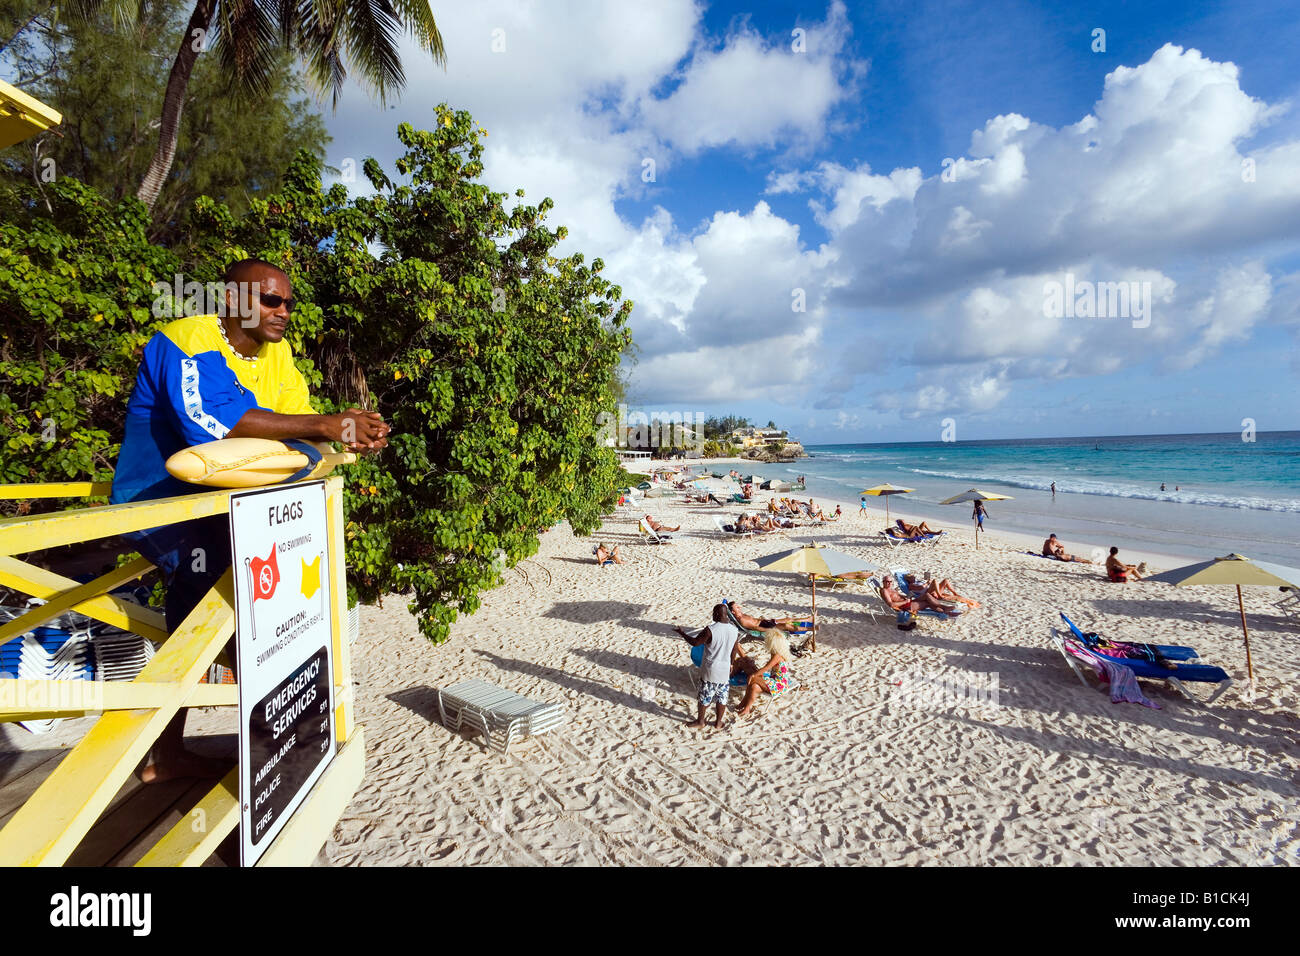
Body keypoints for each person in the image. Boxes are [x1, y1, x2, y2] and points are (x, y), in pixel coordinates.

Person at [111, 258, 389, 783]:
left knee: (226, 626)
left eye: (288, 302)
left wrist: (339, 431)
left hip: (231, 504)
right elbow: (212, 425)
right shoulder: (187, 339)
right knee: (215, 624)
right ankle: (269, 753)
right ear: (233, 299)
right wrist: (325, 425)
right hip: (166, 505)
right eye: (270, 300)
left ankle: (181, 755)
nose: (284, 312)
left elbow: (300, 428)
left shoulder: (277, 355)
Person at [679, 605, 744, 729]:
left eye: (713, 613)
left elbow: (695, 642)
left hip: (711, 670)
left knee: (704, 697)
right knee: (722, 697)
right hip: (725, 670)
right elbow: (734, 649)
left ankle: (700, 721)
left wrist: (682, 633)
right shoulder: (734, 630)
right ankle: (718, 722)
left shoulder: (711, 629)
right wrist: (731, 663)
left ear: (718, 614)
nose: (712, 615)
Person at [737, 628, 793, 719]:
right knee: (754, 686)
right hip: (775, 681)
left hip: (780, 685)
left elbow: (766, 668)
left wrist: (754, 675)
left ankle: (743, 702)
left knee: (752, 678)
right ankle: (747, 708)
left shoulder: (777, 655)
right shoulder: (776, 653)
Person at [880, 575, 959, 616]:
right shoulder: (884, 591)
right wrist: (905, 602)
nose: (889, 583)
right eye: (887, 582)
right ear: (883, 582)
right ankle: (945, 611)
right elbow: (890, 604)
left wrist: (906, 597)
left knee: (927, 595)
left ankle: (944, 609)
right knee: (928, 602)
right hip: (906, 606)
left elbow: (898, 596)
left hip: (909, 601)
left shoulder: (892, 589)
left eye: (890, 581)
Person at [726, 600, 811, 634]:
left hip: (766, 622)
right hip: (765, 626)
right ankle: (810, 629)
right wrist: (770, 630)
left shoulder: (741, 615)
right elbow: (756, 627)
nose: (739, 607)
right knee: (787, 626)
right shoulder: (742, 620)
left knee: (787, 619)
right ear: (733, 612)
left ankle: (807, 619)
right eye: (737, 607)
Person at [903, 573, 980, 609]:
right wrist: (927, 583)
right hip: (927, 594)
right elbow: (920, 588)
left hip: (932, 590)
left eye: (913, 575)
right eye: (911, 576)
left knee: (945, 580)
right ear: (908, 580)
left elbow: (924, 585)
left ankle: (955, 593)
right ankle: (939, 596)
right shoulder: (911, 585)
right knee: (935, 581)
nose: (913, 576)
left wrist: (926, 581)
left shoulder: (917, 581)